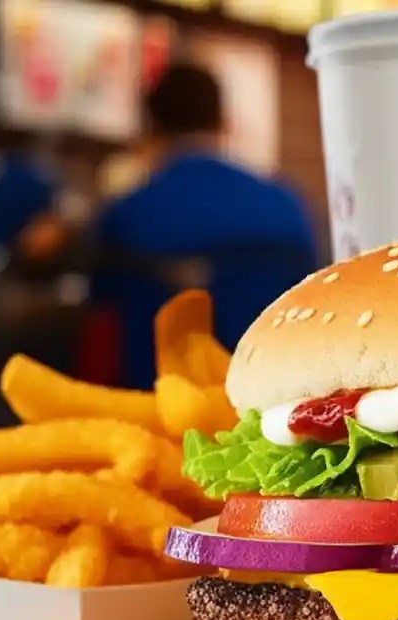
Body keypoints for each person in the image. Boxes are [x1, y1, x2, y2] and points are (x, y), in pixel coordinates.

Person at [92, 63, 318, 389]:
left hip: (157, 411)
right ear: (222, 119)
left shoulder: (128, 214)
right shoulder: (286, 204)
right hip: (268, 408)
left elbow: (102, 326)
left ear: (151, 127)